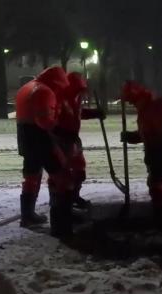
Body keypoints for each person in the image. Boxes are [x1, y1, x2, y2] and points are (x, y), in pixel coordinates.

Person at [120, 81, 162, 228]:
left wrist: (153, 153)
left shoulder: (157, 106)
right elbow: (146, 133)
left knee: (156, 184)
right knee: (155, 184)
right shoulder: (145, 109)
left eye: (131, 100)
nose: (131, 104)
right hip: (157, 151)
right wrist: (131, 137)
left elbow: (161, 133)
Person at [16, 66, 73, 236]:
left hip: (25, 138)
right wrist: (61, 131)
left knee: (31, 176)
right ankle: (62, 218)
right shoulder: (44, 91)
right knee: (60, 176)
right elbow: (44, 120)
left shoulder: (27, 88)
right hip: (41, 138)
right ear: (56, 82)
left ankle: (27, 215)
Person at [54, 72, 104, 209]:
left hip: (73, 138)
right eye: (78, 89)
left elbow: (78, 113)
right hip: (62, 139)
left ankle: (74, 196)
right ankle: (62, 201)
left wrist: (94, 113)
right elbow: (53, 120)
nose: (81, 92)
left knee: (79, 169)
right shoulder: (60, 98)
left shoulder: (76, 99)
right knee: (62, 172)